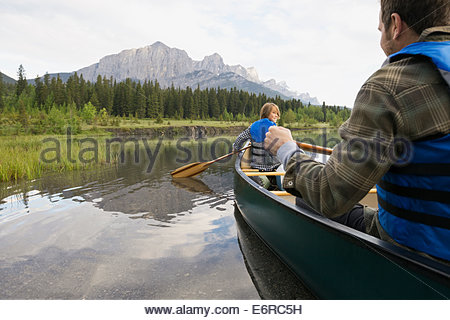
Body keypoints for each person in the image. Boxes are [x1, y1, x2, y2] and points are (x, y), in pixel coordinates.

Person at [264, 0, 449, 261]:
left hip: (417, 252)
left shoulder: (388, 86)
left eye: (379, 30)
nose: (380, 35)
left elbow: (329, 195)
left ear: (395, 25)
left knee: (308, 198)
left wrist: (287, 150)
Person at [234, 103, 282, 189]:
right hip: (275, 167)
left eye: (277, 113)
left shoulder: (253, 126)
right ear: (266, 113)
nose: (276, 116)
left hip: (257, 167)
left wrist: (236, 149)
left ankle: (268, 185)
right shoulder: (275, 128)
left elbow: (239, 139)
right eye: (274, 113)